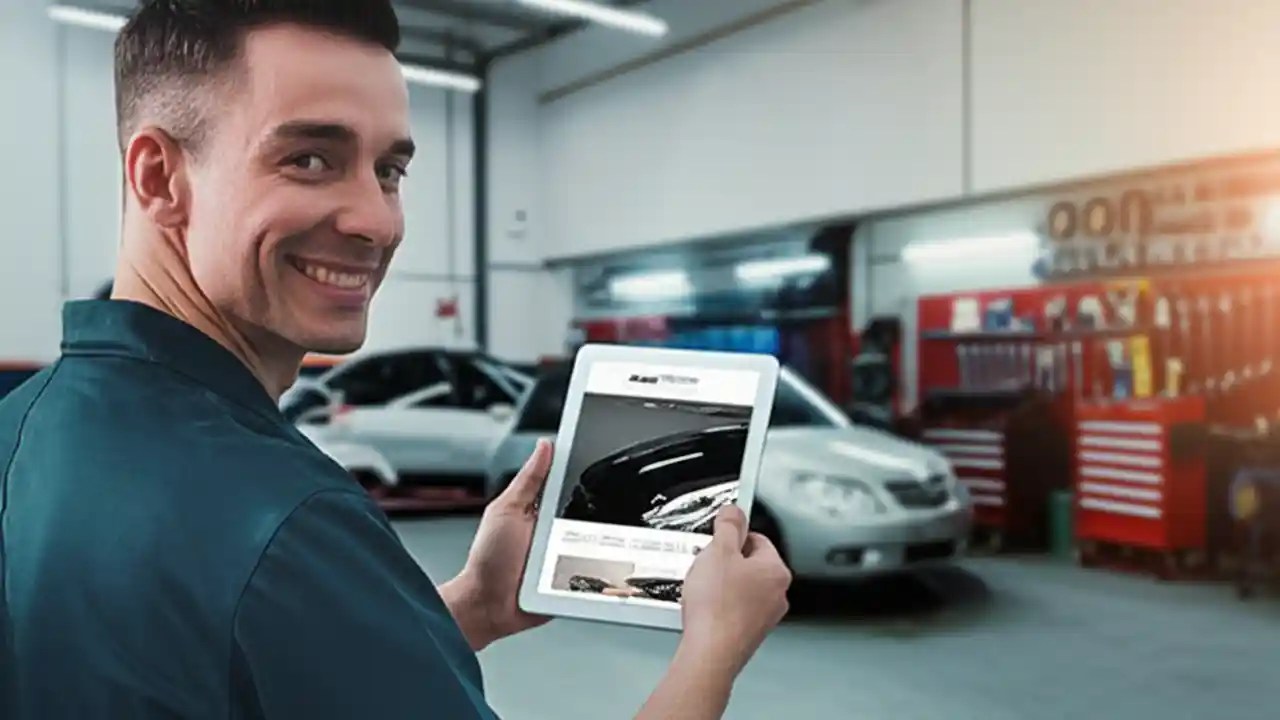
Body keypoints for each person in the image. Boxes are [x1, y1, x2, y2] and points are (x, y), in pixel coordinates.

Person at [0, 1, 791, 718]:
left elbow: (247, 672)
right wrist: (712, 647)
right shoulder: (285, 522)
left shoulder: (20, 431)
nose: (377, 220)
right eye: (310, 158)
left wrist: (477, 605)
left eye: (389, 170)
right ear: (160, 176)